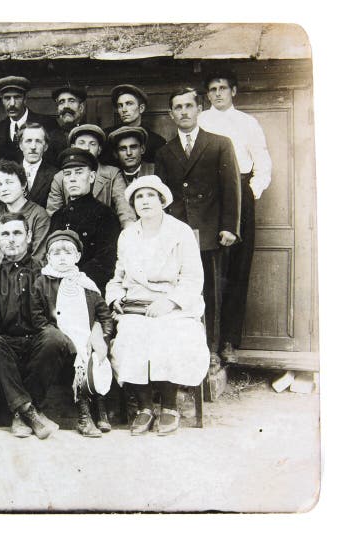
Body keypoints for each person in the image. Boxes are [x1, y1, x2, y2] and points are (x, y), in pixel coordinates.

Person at [106, 175, 210, 435]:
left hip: (173, 303)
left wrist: (170, 302)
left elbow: (192, 278)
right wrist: (116, 297)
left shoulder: (180, 232)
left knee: (167, 333)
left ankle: (169, 406)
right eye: (139, 197)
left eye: (150, 195)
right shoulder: (127, 236)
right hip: (137, 304)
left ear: (162, 200)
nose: (145, 201)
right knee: (131, 334)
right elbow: (118, 277)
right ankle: (145, 407)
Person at [155, 86, 241, 366]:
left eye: (188, 106)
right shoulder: (165, 152)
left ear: (199, 110)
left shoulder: (219, 143)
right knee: (180, 291)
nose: (183, 112)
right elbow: (162, 196)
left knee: (212, 293)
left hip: (210, 232)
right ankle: (184, 350)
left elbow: (232, 189)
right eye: (177, 107)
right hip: (179, 233)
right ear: (171, 114)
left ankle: (212, 350)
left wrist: (230, 227)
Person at [0, 212, 70, 439]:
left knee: (54, 339)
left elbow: (57, 313)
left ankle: (20, 412)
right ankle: (30, 411)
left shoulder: (46, 272)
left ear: (29, 236)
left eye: (17, 233)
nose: (11, 239)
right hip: (7, 344)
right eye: (5, 234)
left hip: (37, 341)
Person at [198, 69, 273, 362]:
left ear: (234, 92)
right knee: (210, 271)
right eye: (213, 89)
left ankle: (229, 342)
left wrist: (248, 193)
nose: (218, 93)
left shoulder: (247, 123)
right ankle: (208, 343)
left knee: (238, 270)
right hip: (209, 195)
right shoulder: (201, 121)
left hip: (240, 192)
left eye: (223, 88)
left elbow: (262, 162)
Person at [31, 230, 114, 438]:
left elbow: (104, 316)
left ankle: (100, 407)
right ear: (48, 258)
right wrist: (65, 339)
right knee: (78, 357)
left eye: (67, 252)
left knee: (95, 356)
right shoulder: (42, 283)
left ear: (77, 256)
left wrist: (100, 339)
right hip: (60, 341)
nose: (61, 257)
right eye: (55, 253)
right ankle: (84, 415)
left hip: (88, 340)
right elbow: (37, 318)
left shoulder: (87, 285)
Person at [49, 148, 120, 293]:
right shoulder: (58, 216)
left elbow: (106, 262)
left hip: (90, 290)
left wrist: (73, 282)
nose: (72, 178)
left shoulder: (105, 215)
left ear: (92, 177)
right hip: (57, 289)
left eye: (79, 172)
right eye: (67, 174)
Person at [46, 124, 136, 228]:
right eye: (81, 143)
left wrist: (129, 230)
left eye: (92, 144)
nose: (86, 148)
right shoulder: (60, 178)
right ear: (73, 147)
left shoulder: (112, 174)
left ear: (99, 149)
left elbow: (124, 207)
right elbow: (52, 214)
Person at [0, 160, 50, 274]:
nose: (3, 188)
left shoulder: (38, 215)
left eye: (9, 182)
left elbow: (39, 259)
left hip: (23, 280)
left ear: (23, 185)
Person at [0, 76, 57, 163]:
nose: (12, 104)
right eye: (7, 98)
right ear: (2, 100)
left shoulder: (47, 123)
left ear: (25, 99)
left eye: (17, 97)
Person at [101, 84, 166, 165]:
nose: (124, 110)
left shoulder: (156, 141)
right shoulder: (107, 137)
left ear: (141, 108)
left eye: (129, 104)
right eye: (120, 106)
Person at [18, 123, 59, 209]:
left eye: (38, 141)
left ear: (45, 147)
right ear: (21, 145)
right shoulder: (11, 172)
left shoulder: (55, 175)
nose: (33, 147)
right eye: (28, 141)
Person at [49, 86, 88, 158]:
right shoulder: (51, 137)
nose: (66, 106)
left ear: (81, 108)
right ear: (58, 110)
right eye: (61, 102)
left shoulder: (91, 134)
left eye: (71, 101)